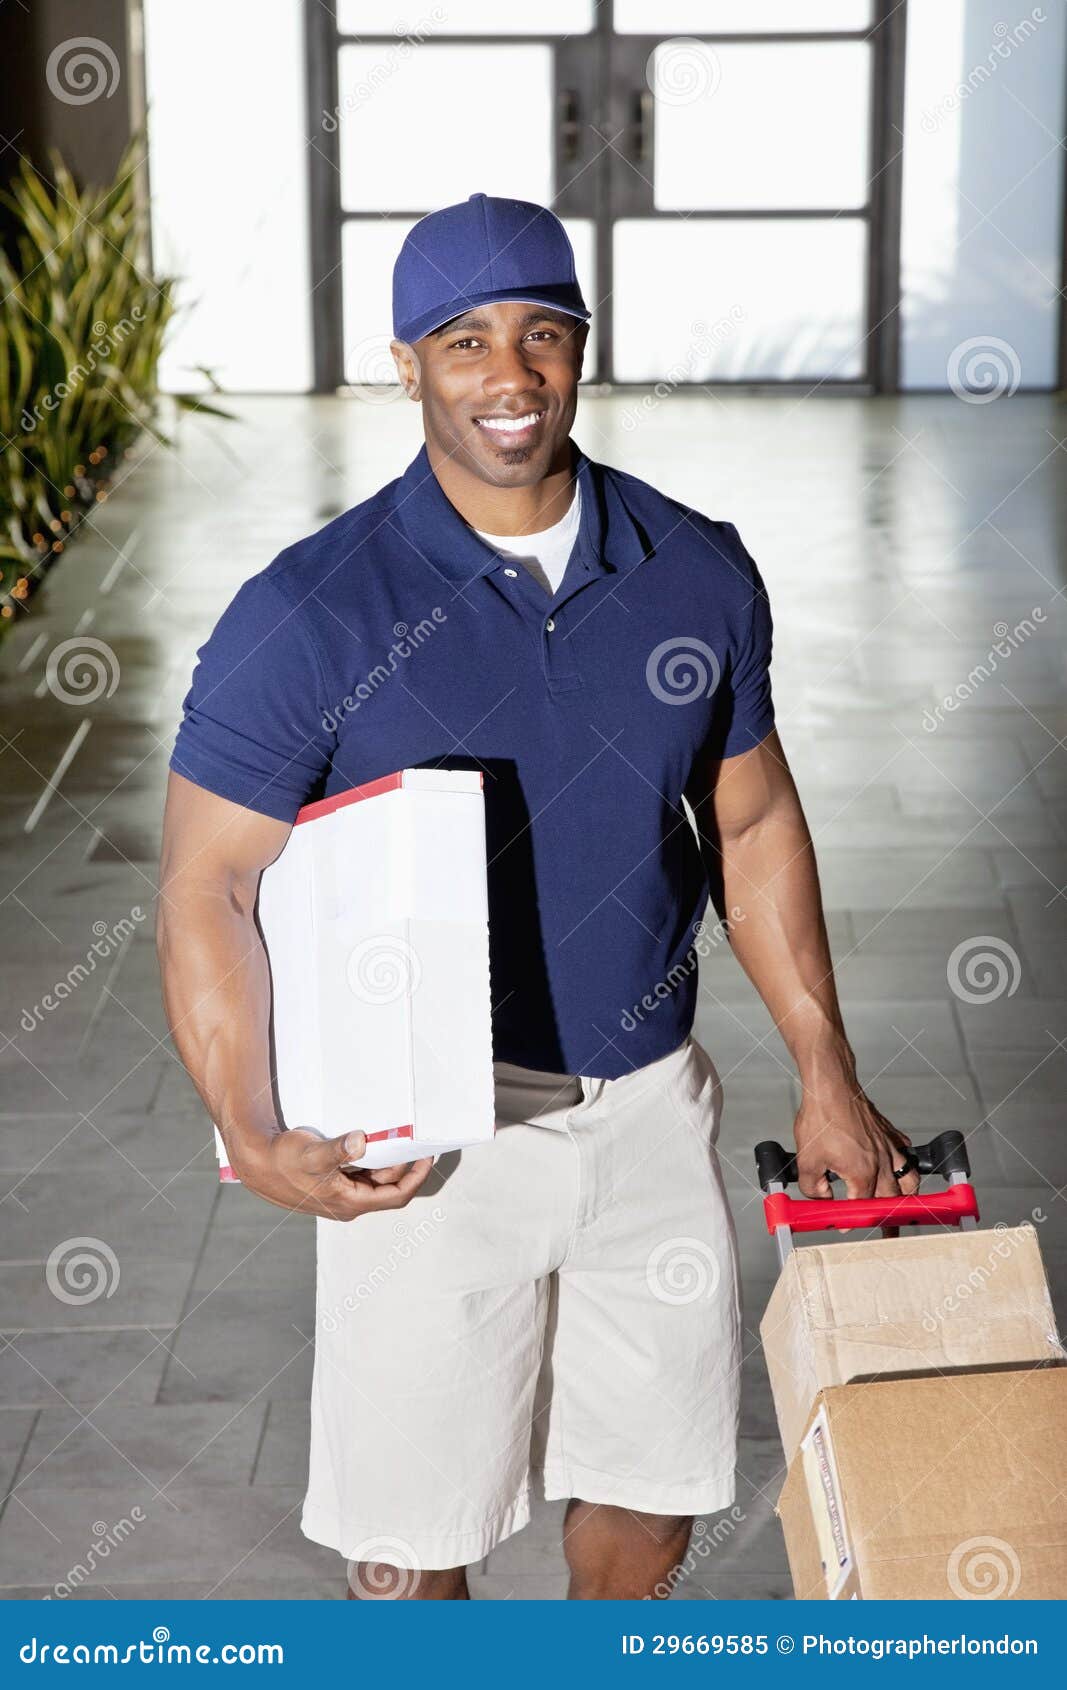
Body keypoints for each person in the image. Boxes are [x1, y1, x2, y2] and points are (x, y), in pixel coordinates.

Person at [156, 192, 918, 1601]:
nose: (510, 377)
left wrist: (826, 1065)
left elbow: (749, 820)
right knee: (414, 1541)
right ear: (404, 362)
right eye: (463, 341)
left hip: (648, 1108)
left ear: (581, 345)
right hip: (431, 1141)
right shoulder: (312, 608)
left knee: (649, 1506)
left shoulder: (694, 568)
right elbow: (211, 880)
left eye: (541, 334)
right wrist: (248, 1121)